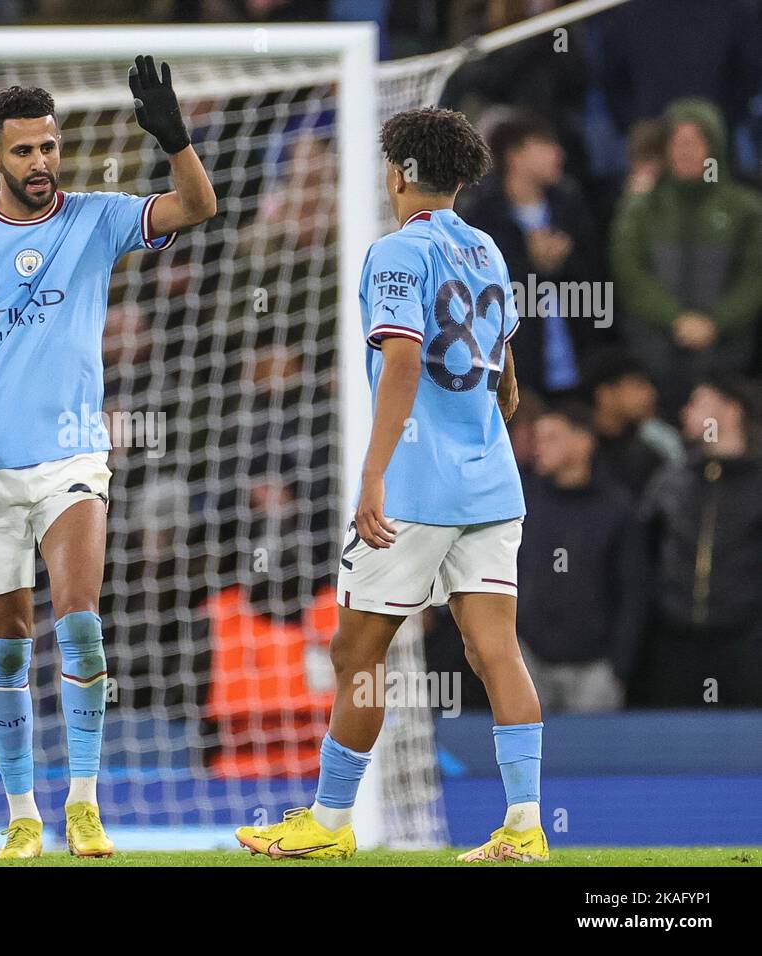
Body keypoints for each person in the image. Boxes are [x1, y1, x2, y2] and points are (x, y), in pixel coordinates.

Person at [0, 60, 216, 859]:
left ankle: (84, 804)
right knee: (5, 640)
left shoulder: (96, 218)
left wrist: (173, 138)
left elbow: (198, 205)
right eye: (24, 152)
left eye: (49, 147)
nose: (41, 163)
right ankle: (21, 816)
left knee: (80, 622)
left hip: (72, 455)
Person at [237, 107, 549, 863]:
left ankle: (330, 824)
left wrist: (372, 473)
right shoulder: (486, 249)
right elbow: (506, 376)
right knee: (495, 650)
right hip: (490, 480)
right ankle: (527, 825)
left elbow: (404, 358)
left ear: (399, 173)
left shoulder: (395, 252)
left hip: (414, 486)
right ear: (464, 177)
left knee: (356, 651)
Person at [610, 98, 762, 416]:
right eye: (677, 142)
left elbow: (754, 277)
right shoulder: (641, 208)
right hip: (654, 360)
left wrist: (716, 322)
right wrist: (676, 319)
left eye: (695, 141)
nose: (685, 151)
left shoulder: (745, 208)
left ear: (715, 146)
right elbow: (628, 273)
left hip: (731, 362)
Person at [633, 377, 762, 707]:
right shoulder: (671, 479)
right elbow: (641, 554)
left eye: (698, 403)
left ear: (731, 412)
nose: (686, 412)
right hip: (675, 642)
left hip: (744, 643)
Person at [458, 111, 603, 397]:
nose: (558, 153)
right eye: (546, 144)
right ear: (516, 156)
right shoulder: (481, 215)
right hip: (513, 369)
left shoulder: (570, 206)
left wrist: (563, 262)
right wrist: (530, 263)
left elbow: (599, 278)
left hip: (576, 368)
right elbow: (477, 292)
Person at [518, 402, 641, 712]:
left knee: (593, 759)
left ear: (584, 441)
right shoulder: (522, 501)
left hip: (595, 667)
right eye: (537, 438)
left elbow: (634, 590)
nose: (539, 447)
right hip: (528, 657)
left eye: (552, 437)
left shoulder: (617, 508)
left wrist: (620, 666)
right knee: (530, 756)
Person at [583, 348, 682, 499]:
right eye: (638, 385)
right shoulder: (580, 448)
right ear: (605, 394)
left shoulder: (655, 446)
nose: (651, 394)